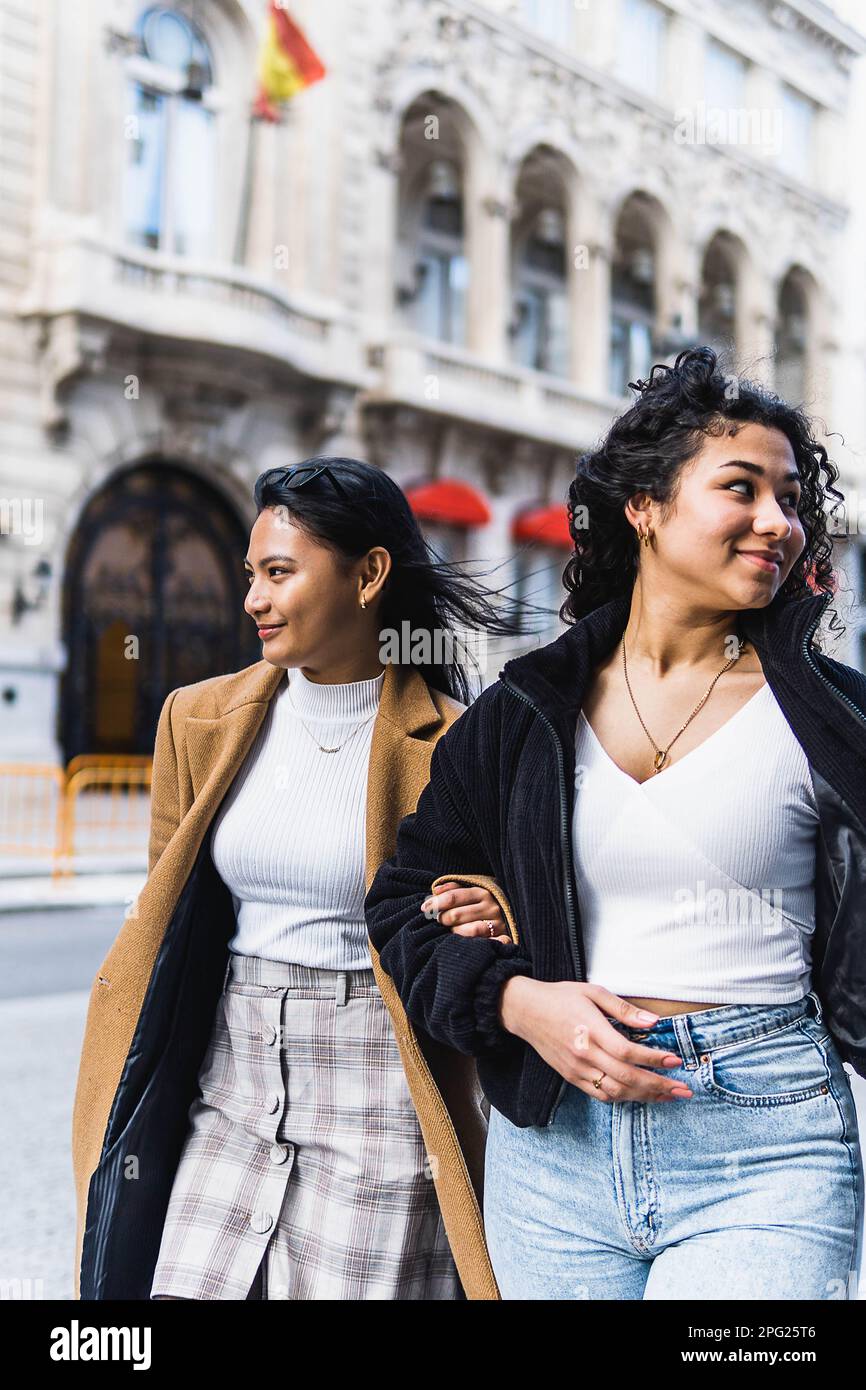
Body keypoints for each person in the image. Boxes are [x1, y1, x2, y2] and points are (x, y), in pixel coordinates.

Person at [365, 347, 866, 1300]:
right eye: (742, 488)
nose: (780, 523)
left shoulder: (834, 720)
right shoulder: (525, 713)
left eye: (793, 499)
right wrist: (516, 1000)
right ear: (644, 508)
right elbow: (397, 905)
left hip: (765, 1143)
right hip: (552, 1152)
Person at [71, 456, 539, 1300]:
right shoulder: (198, 719)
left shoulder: (458, 742)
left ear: (369, 575)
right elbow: (172, 916)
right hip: (229, 1080)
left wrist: (493, 911)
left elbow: (509, 907)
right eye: (252, 574)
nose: (253, 597)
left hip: (380, 1089)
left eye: (280, 573)